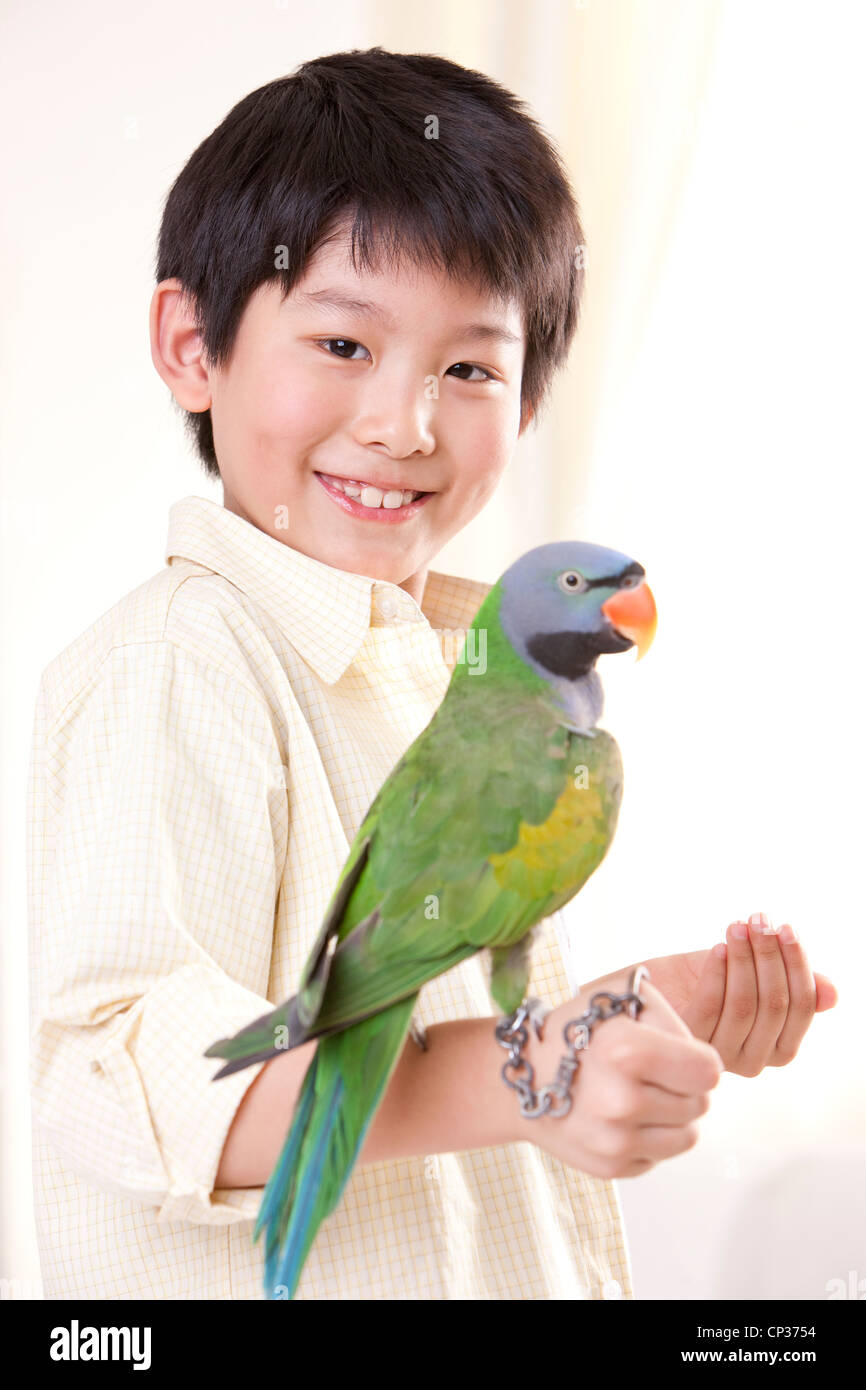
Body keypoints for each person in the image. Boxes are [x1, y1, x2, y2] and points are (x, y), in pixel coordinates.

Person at [26, 47, 837, 1301]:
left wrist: (632, 1011)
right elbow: (131, 1080)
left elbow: (447, 1010)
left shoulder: (461, 685)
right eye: (343, 342)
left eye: (467, 368)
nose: (403, 421)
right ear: (193, 344)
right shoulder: (181, 667)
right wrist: (534, 1074)